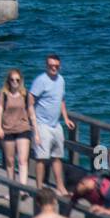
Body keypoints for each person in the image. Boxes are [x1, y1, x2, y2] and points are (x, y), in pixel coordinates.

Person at [29, 54, 74, 195]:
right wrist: (35, 128)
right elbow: (30, 102)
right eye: (51, 66)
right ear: (46, 66)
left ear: (59, 66)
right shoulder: (41, 80)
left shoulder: (61, 80)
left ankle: (60, 187)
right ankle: (40, 189)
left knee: (57, 157)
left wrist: (66, 118)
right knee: (41, 159)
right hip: (42, 125)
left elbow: (62, 100)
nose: (53, 68)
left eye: (56, 66)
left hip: (56, 125)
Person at [0, 68, 34, 186]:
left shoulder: (26, 95)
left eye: (17, 80)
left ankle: (23, 188)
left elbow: (32, 113)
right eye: (12, 80)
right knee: (10, 162)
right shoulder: (4, 95)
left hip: (23, 129)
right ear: (8, 81)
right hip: (8, 130)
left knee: (22, 161)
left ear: (20, 81)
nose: (15, 82)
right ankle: (12, 187)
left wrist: (36, 131)